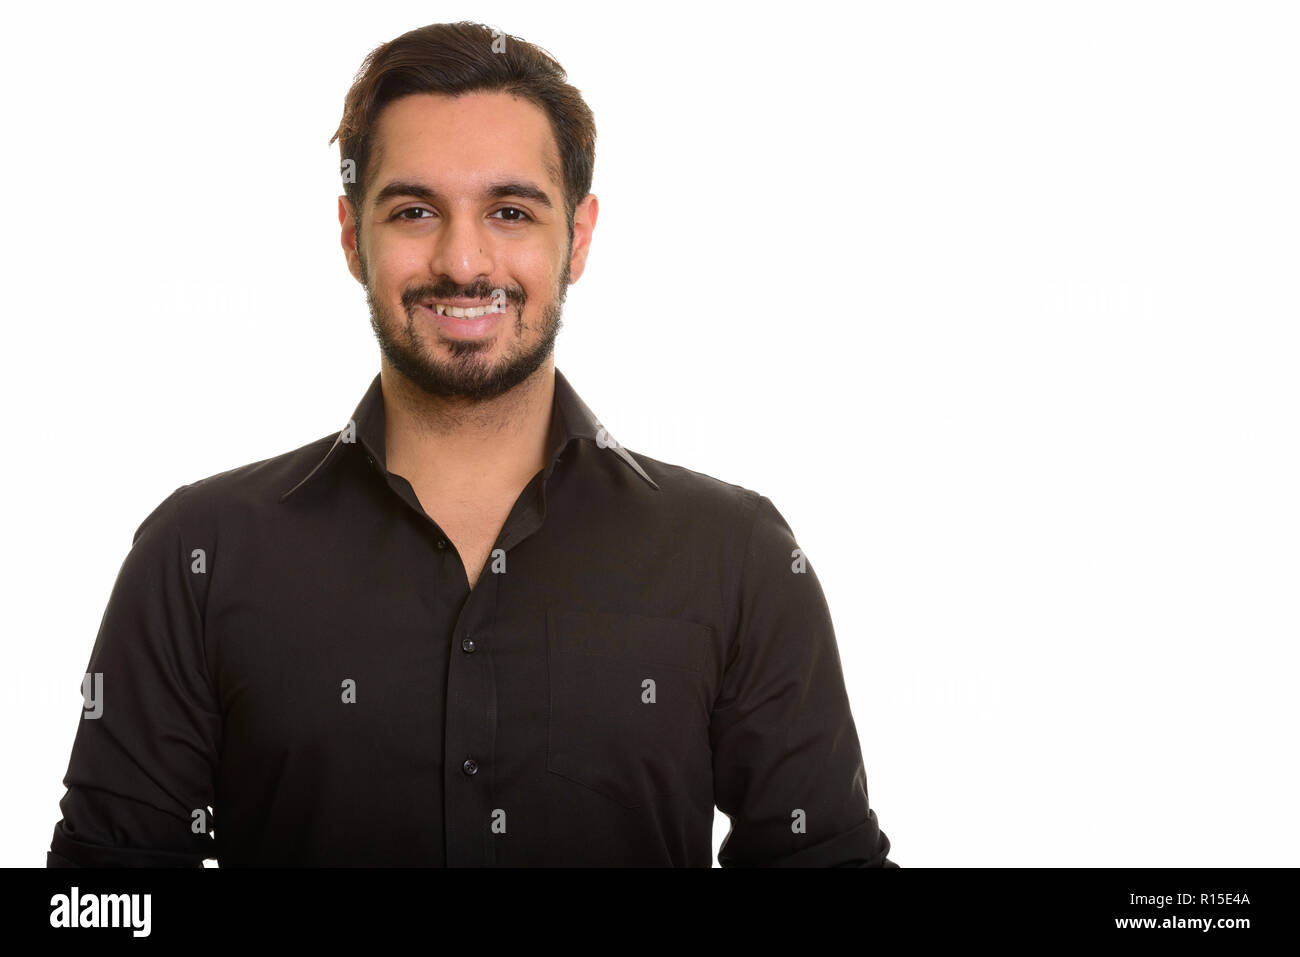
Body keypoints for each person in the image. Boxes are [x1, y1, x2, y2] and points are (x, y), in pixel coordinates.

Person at [47, 20, 896, 867]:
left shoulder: (737, 557)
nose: (462, 260)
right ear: (351, 236)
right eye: (415, 210)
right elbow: (100, 901)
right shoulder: (197, 554)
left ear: (581, 236)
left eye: (510, 210)